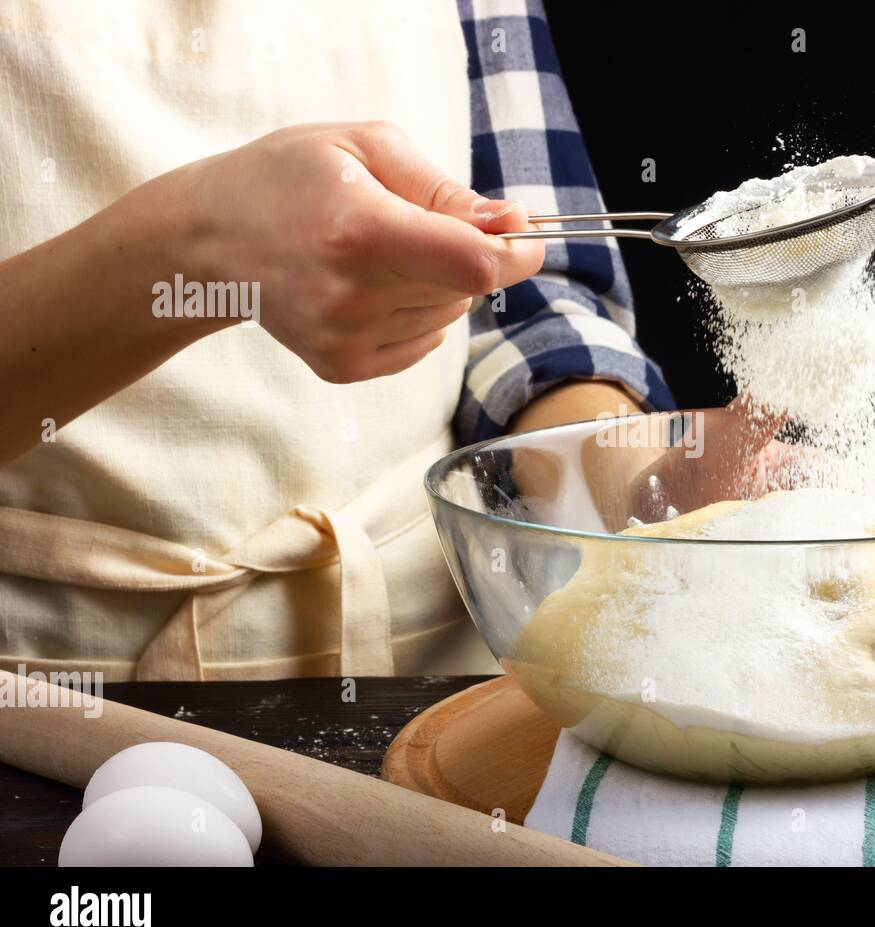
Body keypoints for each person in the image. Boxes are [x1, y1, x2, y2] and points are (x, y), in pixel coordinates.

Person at [0, 0, 672, 679]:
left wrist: (639, 486)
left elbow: (531, 307)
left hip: (433, 680)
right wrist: (200, 243)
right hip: (51, 687)